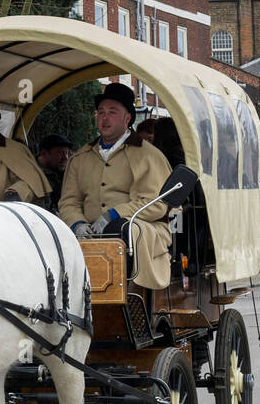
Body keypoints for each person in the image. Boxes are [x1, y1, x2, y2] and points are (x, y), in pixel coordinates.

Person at [58, 82, 174, 289]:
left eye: (112, 112)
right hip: (89, 232)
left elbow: (157, 204)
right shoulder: (80, 157)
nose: (104, 117)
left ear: (127, 118)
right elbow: (69, 201)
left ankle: (125, 294)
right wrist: (77, 224)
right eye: (100, 112)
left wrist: (113, 214)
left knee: (119, 229)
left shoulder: (149, 156)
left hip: (141, 230)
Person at [35, 133, 74, 212]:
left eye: (66, 153)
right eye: (59, 152)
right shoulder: (32, 175)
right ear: (44, 154)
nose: (65, 158)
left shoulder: (66, 173)